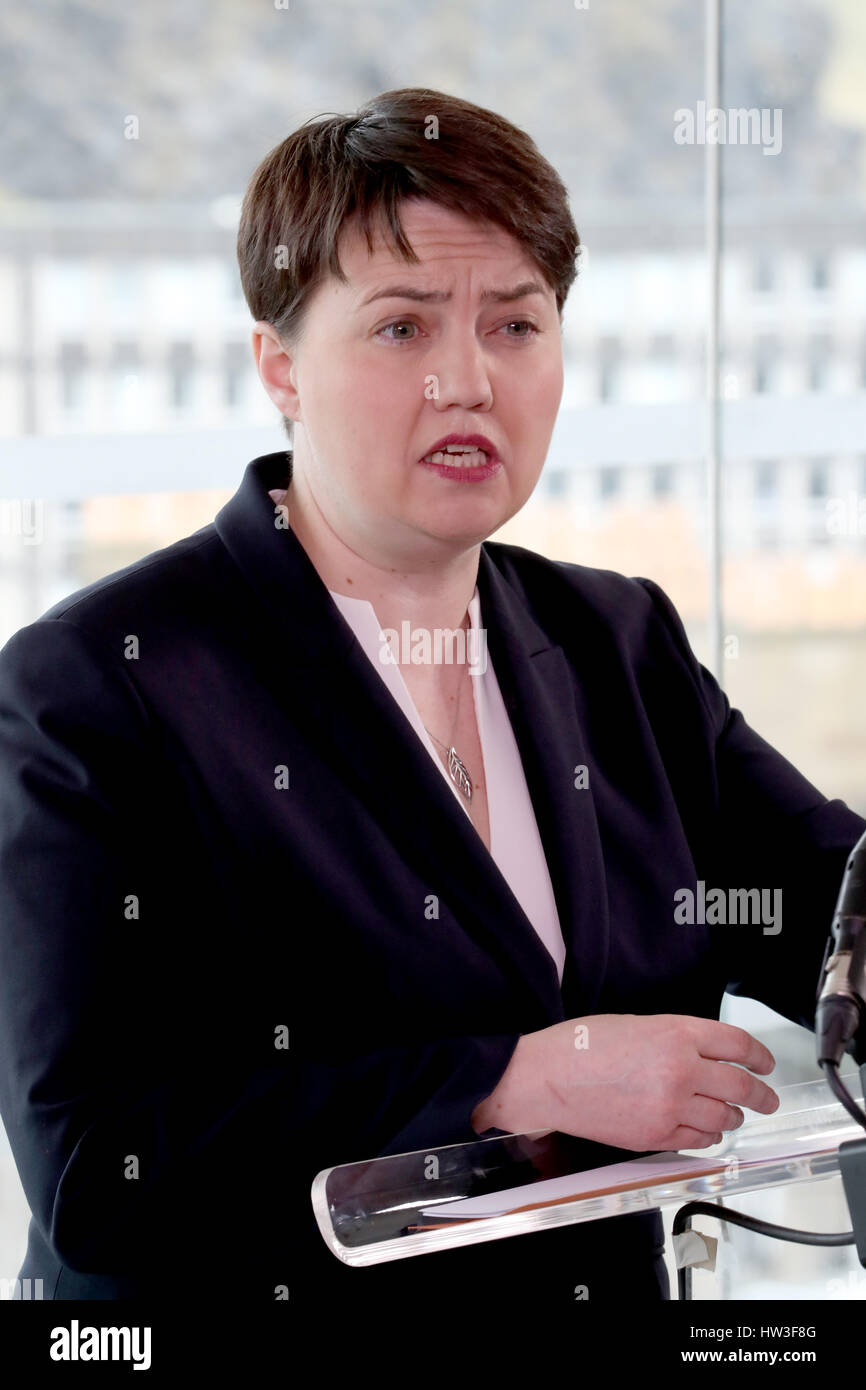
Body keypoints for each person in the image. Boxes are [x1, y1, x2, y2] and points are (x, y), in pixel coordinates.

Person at [0, 87, 862, 1313]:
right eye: (402, 329)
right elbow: (95, 1168)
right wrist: (512, 1081)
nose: (466, 380)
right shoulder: (101, 681)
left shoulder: (616, 641)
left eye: (515, 326)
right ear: (278, 364)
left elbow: (834, 916)